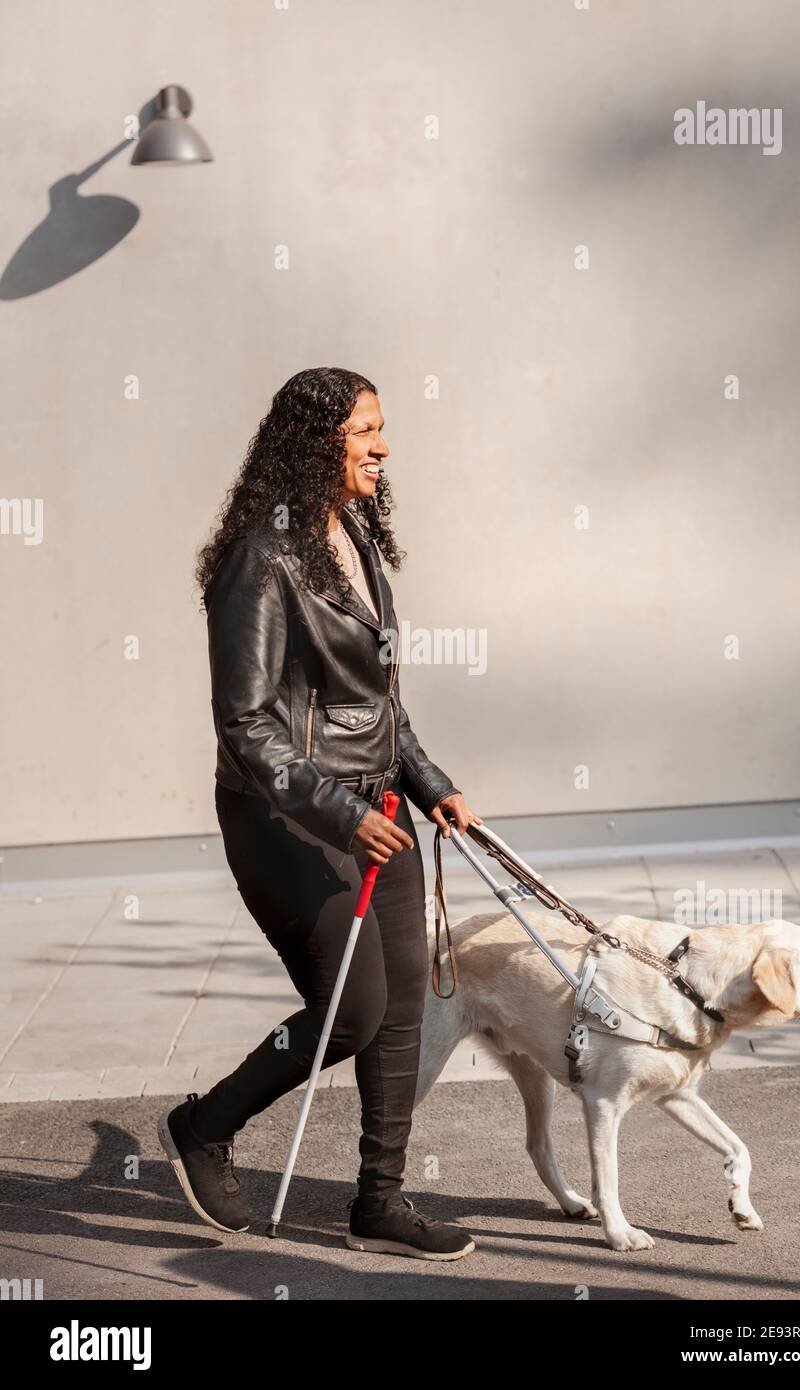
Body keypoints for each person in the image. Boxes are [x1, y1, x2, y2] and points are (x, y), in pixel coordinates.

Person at [157, 367, 482, 1260]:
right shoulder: (260, 560)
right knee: (352, 1012)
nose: (383, 446)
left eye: (382, 428)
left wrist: (429, 782)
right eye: (364, 431)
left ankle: (380, 1203)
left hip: (379, 809)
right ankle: (204, 1125)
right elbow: (248, 724)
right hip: (292, 820)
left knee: (405, 1004)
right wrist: (341, 815)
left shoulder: (356, 538)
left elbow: (375, 700)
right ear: (316, 442)